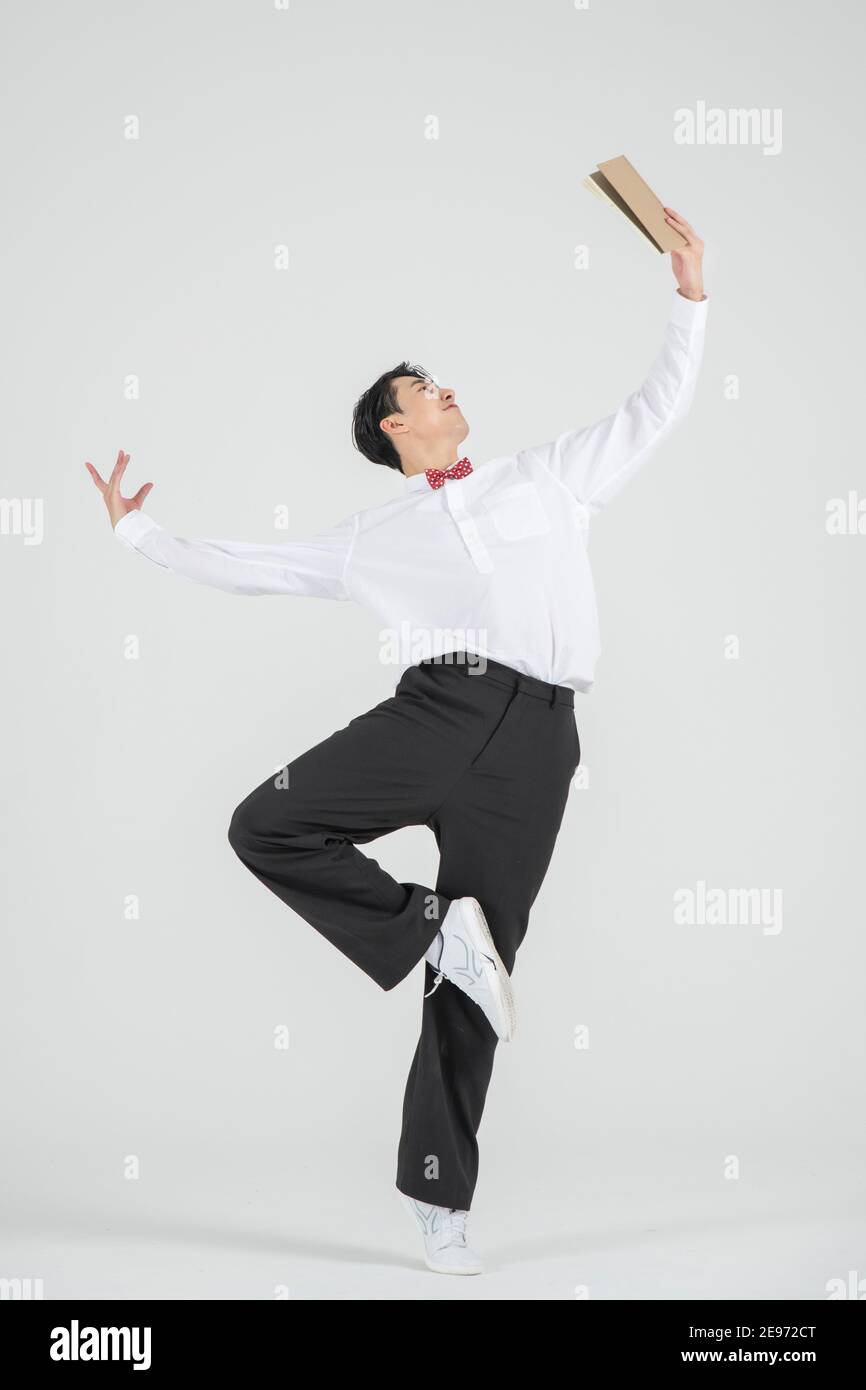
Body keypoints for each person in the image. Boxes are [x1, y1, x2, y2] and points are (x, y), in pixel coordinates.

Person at [86, 207, 707, 1276]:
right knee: (265, 822)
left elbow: (654, 408)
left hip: (538, 742)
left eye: (443, 382)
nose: (446, 392)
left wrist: (688, 295)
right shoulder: (374, 536)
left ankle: (439, 1198)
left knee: (480, 980)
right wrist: (138, 533)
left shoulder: (548, 475)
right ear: (390, 426)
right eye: (424, 389)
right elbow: (257, 564)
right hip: (437, 712)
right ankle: (430, 930)